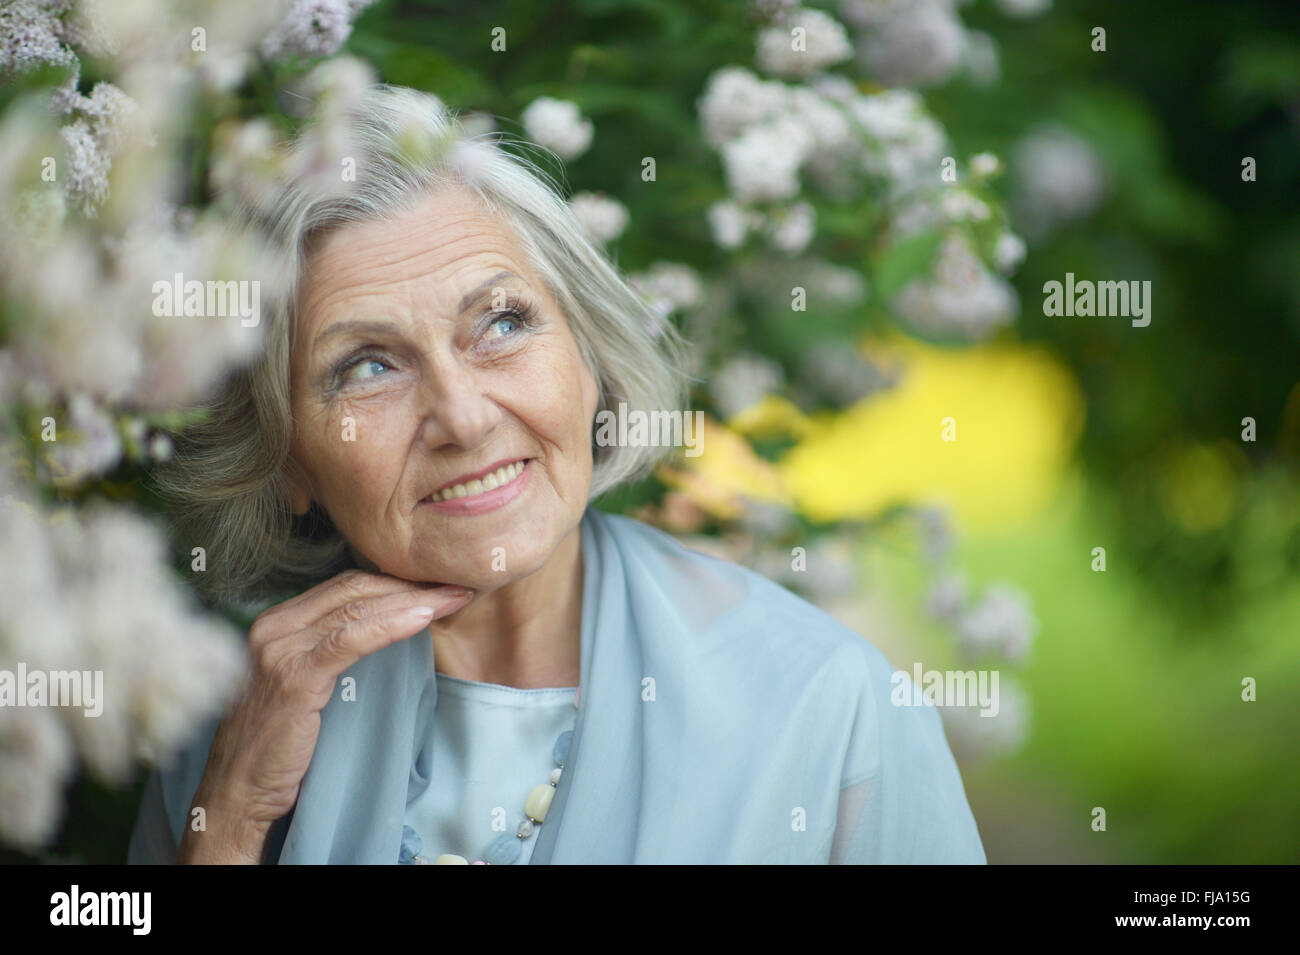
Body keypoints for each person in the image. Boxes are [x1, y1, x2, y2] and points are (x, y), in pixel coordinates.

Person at [127, 85, 986, 864]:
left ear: (588, 361)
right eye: (364, 368)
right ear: (287, 463)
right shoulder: (232, 719)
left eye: (501, 323)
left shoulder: (825, 706)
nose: (463, 416)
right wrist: (232, 818)